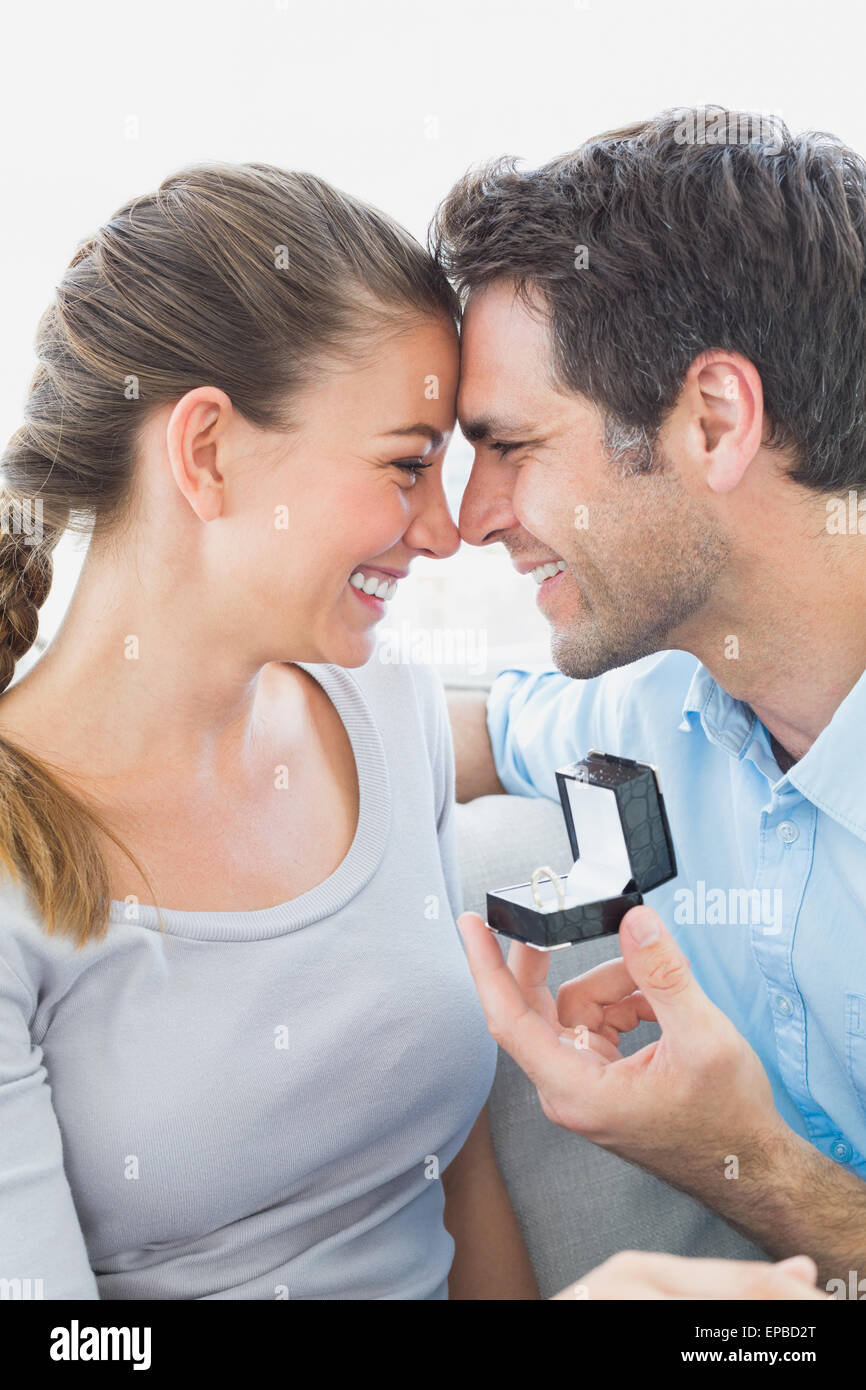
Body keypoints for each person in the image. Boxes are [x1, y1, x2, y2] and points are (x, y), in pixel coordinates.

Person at [0, 157, 824, 1303]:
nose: (446, 531)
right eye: (403, 466)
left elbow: (454, 1179)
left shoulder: (386, 717)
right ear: (205, 452)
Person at [432, 104, 866, 1293]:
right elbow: (464, 725)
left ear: (713, 420)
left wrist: (747, 1167)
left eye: (511, 446)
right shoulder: (659, 697)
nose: (469, 517)